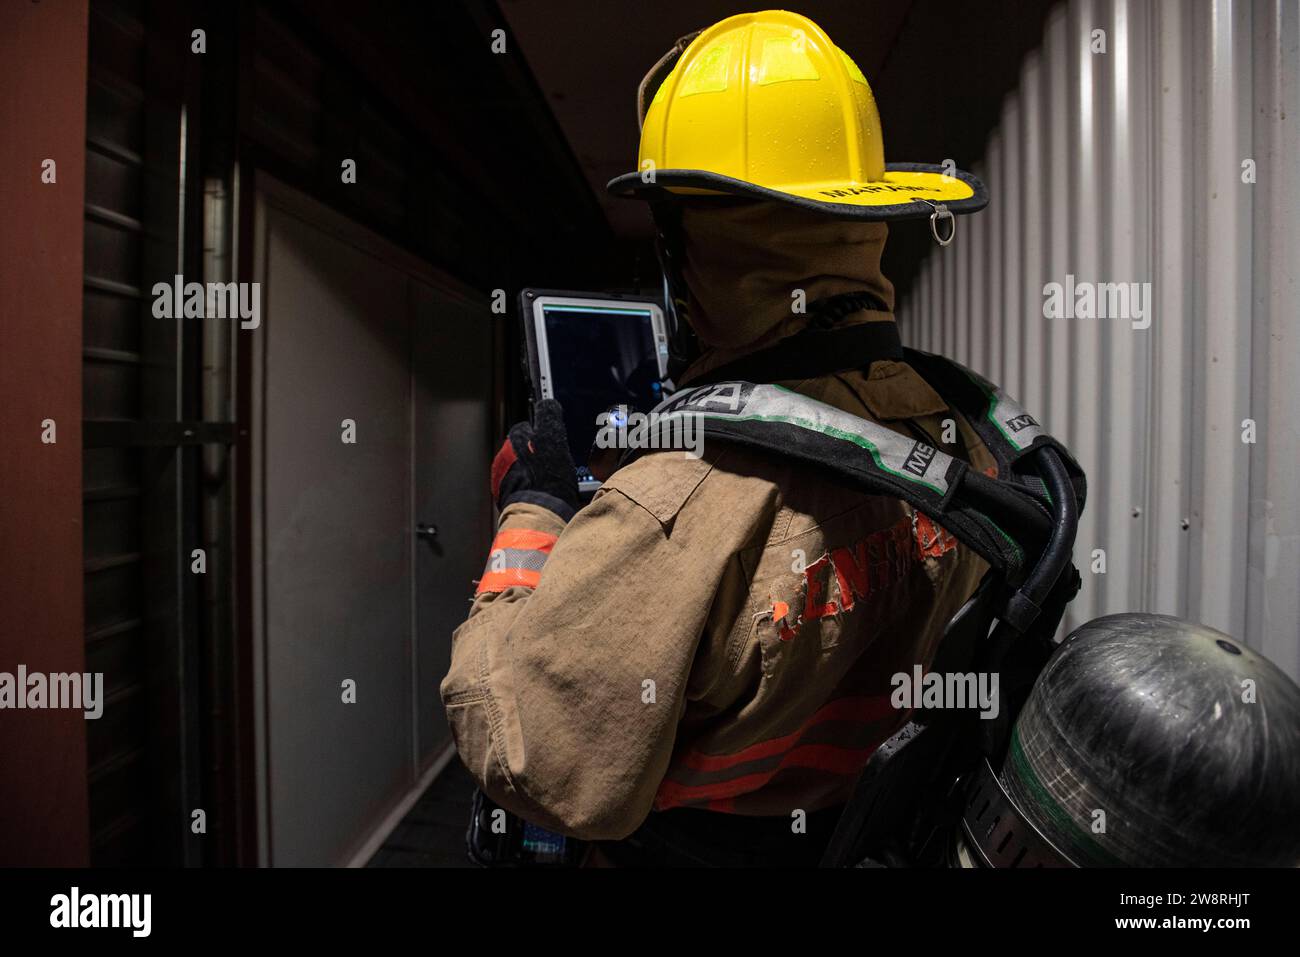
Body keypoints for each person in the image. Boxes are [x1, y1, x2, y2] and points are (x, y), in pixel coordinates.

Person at [441, 9, 995, 866]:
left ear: (688, 242)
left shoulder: (672, 509)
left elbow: (534, 755)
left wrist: (534, 508)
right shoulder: (963, 435)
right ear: (866, 220)